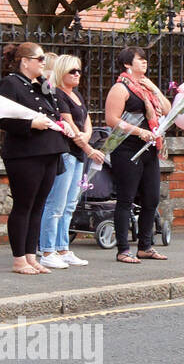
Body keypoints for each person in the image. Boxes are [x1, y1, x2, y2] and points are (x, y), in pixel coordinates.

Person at [0, 42, 77, 275]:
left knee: (39, 206)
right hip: (25, 153)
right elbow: (2, 117)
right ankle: (18, 259)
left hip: (49, 149)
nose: (44, 63)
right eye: (40, 58)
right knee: (24, 206)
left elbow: (53, 112)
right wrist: (30, 123)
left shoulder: (43, 85)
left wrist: (64, 125)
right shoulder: (11, 83)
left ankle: (31, 256)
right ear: (25, 61)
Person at [38, 54, 106, 268]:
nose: (77, 74)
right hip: (65, 152)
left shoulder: (76, 94)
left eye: (79, 70)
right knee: (55, 204)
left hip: (78, 153)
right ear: (62, 72)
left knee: (69, 204)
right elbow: (69, 127)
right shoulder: (58, 94)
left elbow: (86, 121)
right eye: (72, 71)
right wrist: (88, 147)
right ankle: (47, 250)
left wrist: (87, 136)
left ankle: (63, 248)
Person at [103, 45, 170, 263]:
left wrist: (155, 88)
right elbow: (111, 119)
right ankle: (123, 249)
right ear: (127, 64)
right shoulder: (121, 88)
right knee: (126, 199)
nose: (144, 62)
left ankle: (145, 246)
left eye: (145, 59)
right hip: (127, 148)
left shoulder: (146, 88)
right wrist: (139, 131)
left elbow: (168, 109)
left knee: (151, 198)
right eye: (139, 59)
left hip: (149, 148)